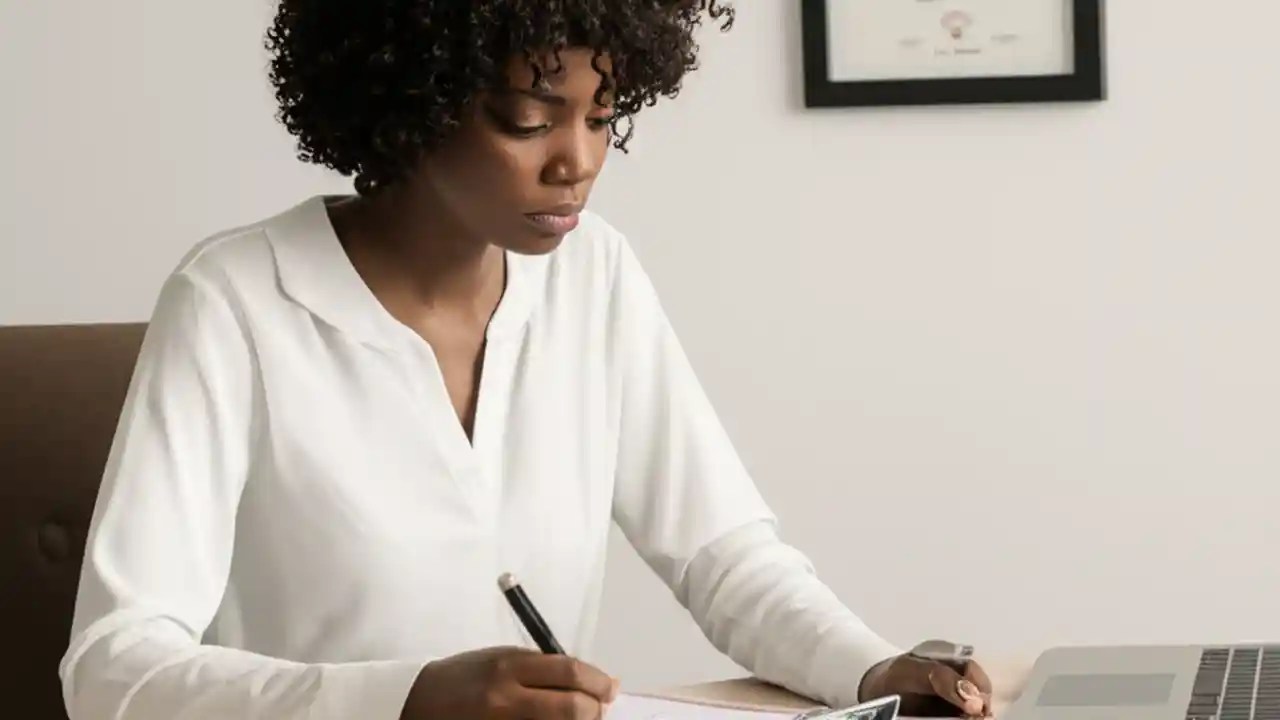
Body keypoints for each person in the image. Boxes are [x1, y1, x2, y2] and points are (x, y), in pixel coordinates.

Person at [58, 1, 996, 719]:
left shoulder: (594, 277)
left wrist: (871, 670)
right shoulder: (235, 300)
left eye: (600, 117)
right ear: (410, 104)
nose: (577, 161)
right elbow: (113, 667)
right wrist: (408, 700)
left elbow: (723, 555)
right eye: (527, 119)